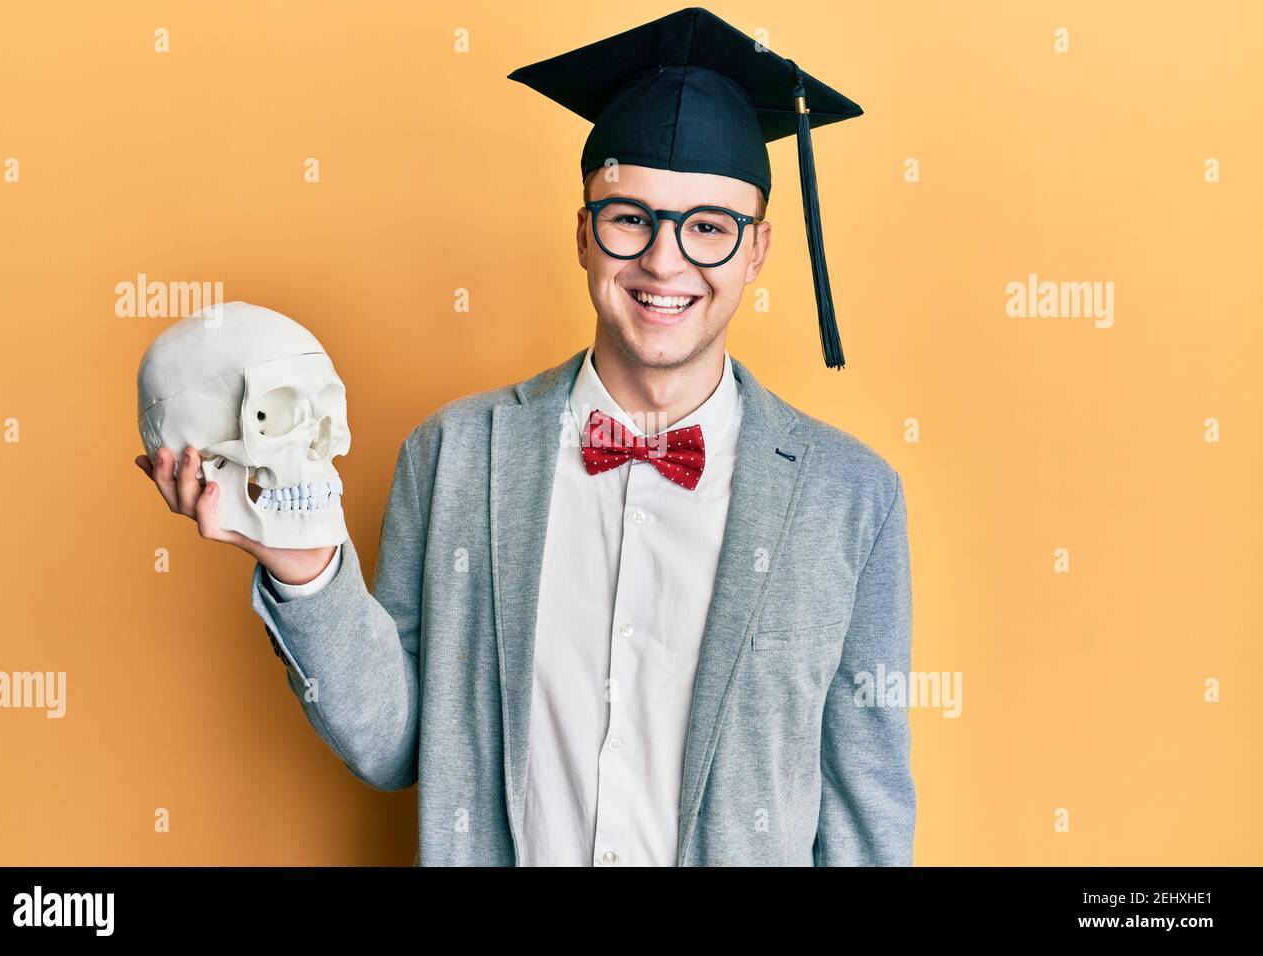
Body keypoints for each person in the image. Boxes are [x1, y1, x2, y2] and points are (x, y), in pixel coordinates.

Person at [135, 7, 915, 866]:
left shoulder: (851, 496)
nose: (664, 262)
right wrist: (302, 565)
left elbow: (864, 807)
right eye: (630, 219)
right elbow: (396, 745)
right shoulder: (454, 454)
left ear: (757, 250)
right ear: (584, 232)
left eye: (708, 226)